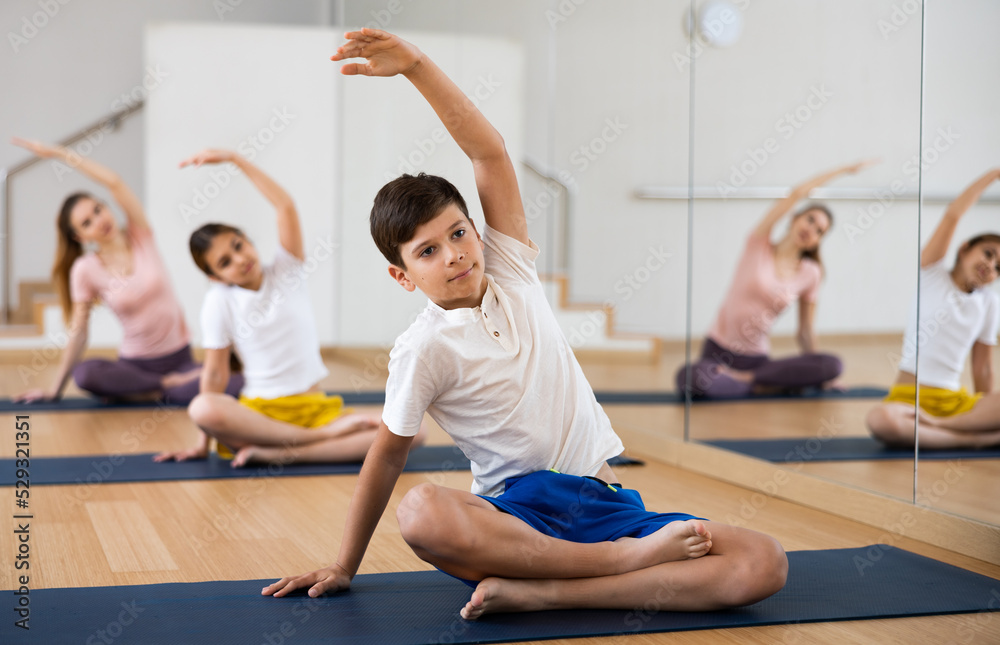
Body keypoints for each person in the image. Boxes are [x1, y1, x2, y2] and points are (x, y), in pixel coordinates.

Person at [262, 29, 787, 620]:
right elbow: (385, 457)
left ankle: (554, 593)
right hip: (519, 520)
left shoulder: (510, 268)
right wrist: (343, 565)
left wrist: (416, 66)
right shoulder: (424, 348)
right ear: (402, 276)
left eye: (458, 234)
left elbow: (489, 154)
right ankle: (620, 565)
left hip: (607, 502)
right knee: (422, 512)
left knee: (763, 561)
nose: (454, 254)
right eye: (427, 252)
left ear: (476, 232)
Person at [155, 149, 408, 467]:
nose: (240, 259)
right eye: (225, 262)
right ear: (214, 276)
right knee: (203, 408)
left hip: (315, 409)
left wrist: (236, 160)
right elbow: (216, 373)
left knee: (414, 432)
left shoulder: (286, 271)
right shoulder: (219, 301)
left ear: (246, 238)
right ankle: (320, 441)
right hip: (263, 416)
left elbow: (284, 205)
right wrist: (201, 442)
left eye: (238, 245)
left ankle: (289, 453)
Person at [10, 137, 242, 405]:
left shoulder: (140, 234)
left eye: (98, 209)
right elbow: (79, 331)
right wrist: (54, 389)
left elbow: (114, 182)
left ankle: (161, 392)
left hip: (181, 361)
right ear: (80, 237)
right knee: (85, 373)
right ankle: (163, 388)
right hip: (135, 369)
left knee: (240, 383)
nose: (99, 221)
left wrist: (59, 154)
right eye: (87, 222)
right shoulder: (85, 270)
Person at [675, 161, 876, 399]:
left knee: (832, 366)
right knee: (691, 378)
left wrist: (821, 375)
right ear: (794, 218)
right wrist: (843, 170)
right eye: (810, 220)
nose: (812, 229)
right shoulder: (758, 243)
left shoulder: (811, 272)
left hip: (758, 362)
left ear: (817, 242)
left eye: (820, 231)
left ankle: (747, 381)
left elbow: (805, 330)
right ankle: (759, 386)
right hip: (718, 353)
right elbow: (797, 193)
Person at [867, 169, 1000, 449]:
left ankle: (948, 429)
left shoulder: (989, 302)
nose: (991, 266)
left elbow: (983, 366)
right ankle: (973, 439)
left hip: (953, 403)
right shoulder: (932, 273)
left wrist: (985, 411)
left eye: (998, 267)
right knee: (880, 420)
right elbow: (953, 214)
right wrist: (994, 174)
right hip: (909, 400)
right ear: (964, 249)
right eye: (988, 253)